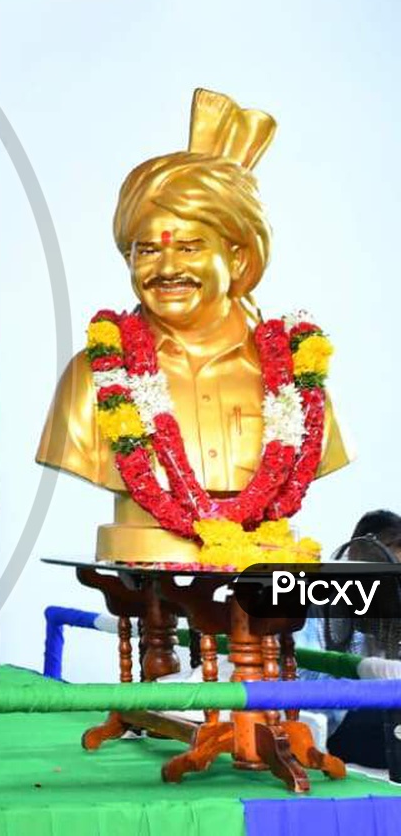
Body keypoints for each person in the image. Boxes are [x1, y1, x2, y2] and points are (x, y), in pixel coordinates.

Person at [37, 89, 349, 564]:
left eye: (189, 248)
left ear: (238, 255)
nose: (165, 269)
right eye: (147, 250)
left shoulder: (296, 384)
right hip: (144, 572)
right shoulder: (91, 379)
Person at [299, 509, 401, 768]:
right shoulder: (317, 603)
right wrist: (369, 672)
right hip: (333, 722)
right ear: (359, 555)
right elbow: (304, 679)